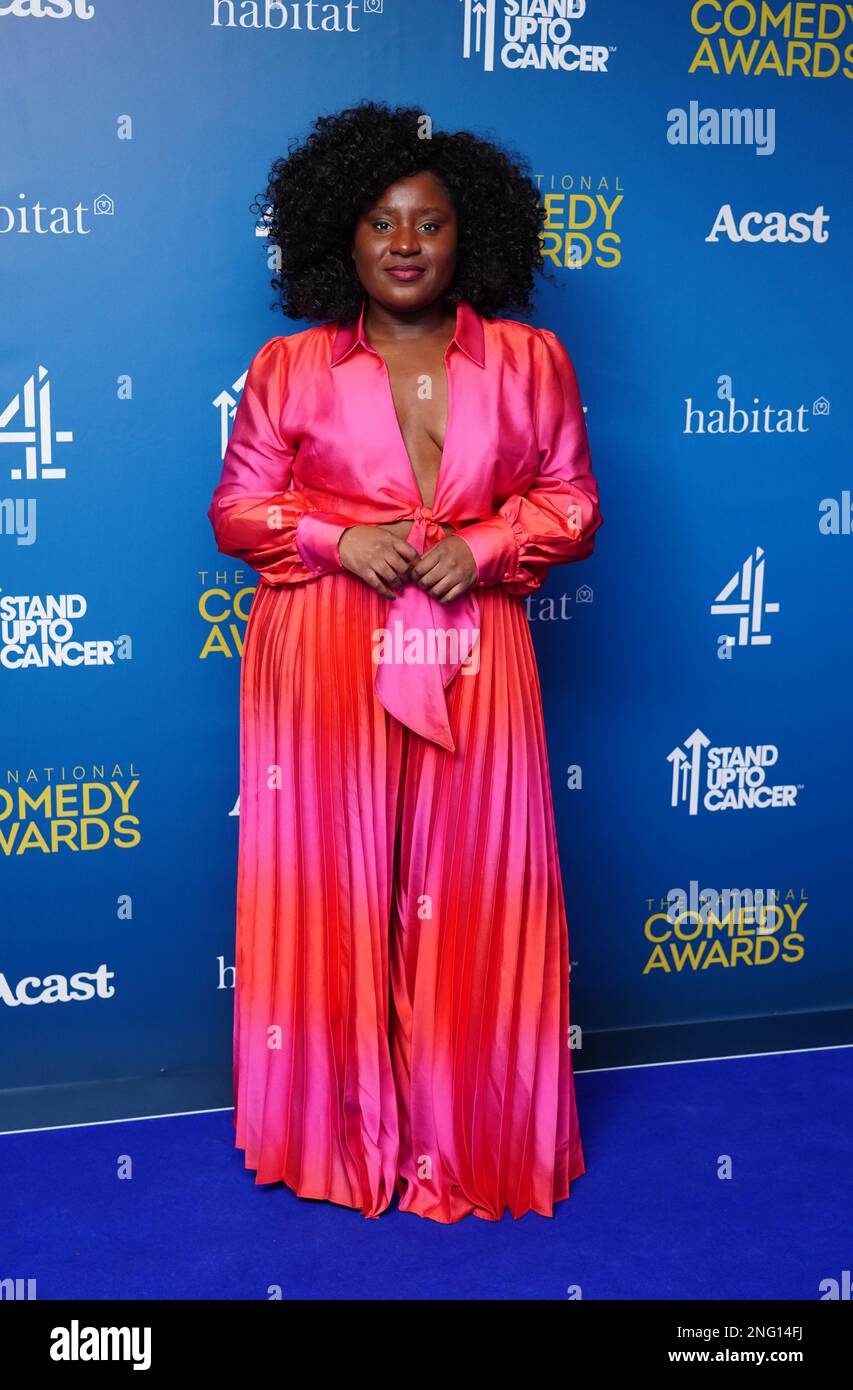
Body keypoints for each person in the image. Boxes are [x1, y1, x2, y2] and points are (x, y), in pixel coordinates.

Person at [208, 100, 603, 1223]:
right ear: (344, 235)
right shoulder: (289, 366)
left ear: (463, 236)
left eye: (427, 223)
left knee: (475, 890)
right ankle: (339, 1132)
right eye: (380, 222)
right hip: (326, 642)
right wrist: (342, 537)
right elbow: (236, 512)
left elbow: (572, 502)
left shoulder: (530, 360)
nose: (403, 243)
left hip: (476, 646)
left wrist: (481, 546)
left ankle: (463, 1132)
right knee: (330, 891)